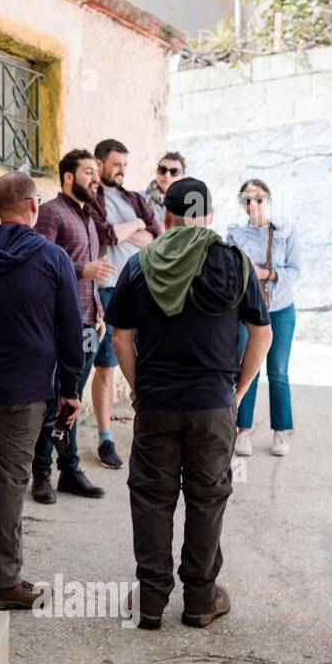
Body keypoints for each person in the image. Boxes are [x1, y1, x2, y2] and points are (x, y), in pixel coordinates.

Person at [105, 178, 272, 629]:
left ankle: (151, 600)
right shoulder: (235, 263)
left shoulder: (140, 265)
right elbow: (262, 332)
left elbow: (119, 335)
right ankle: (200, 599)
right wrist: (236, 391)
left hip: (158, 401)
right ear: (210, 216)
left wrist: (140, 387)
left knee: (152, 497)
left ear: (166, 217)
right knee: (207, 497)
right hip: (212, 404)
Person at [0, 171, 84, 610]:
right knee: (10, 480)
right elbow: (70, 329)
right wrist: (70, 389)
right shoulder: (53, 257)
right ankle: (1, 584)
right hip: (25, 389)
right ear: (32, 207)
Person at [31, 149, 110, 502]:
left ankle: (70, 470)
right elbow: (38, 266)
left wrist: (100, 313)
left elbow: (90, 276)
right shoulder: (50, 213)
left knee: (72, 400)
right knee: (53, 402)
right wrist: (82, 270)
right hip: (61, 327)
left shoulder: (89, 217)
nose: (96, 178)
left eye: (97, 172)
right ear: (67, 176)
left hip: (91, 325)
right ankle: (42, 475)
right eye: (89, 172)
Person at [90, 139, 162, 470]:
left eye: (125, 165)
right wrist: (136, 227)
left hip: (140, 288)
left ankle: (147, 430)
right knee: (106, 364)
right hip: (106, 289)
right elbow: (105, 235)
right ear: (101, 163)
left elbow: (157, 236)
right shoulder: (93, 198)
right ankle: (105, 437)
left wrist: (127, 228)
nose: (121, 170)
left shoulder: (134, 198)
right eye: (116, 164)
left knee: (147, 357)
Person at [228, 179, 300, 457]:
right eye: (247, 199)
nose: (253, 204)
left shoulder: (285, 231)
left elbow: (296, 270)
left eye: (258, 198)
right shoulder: (235, 235)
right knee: (248, 369)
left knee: (278, 372)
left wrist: (267, 274)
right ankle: (241, 430)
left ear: (268, 200)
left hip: (281, 307)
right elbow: (230, 269)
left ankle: (281, 433)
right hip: (248, 310)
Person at [143, 151, 186, 226]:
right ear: (156, 172)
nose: (167, 175)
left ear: (182, 176)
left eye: (174, 171)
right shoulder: (139, 198)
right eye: (162, 170)